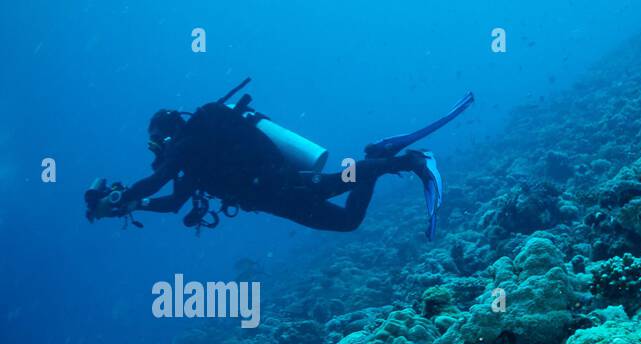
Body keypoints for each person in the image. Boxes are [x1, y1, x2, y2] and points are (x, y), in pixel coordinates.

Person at [85, 79, 473, 239]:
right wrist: (132, 204)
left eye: (157, 144)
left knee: (339, 182)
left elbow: (157, 182)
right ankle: (379, 156)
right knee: (348, 219)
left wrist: (120, 198)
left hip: (276, 183)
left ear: (167, 135)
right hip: (267, 198)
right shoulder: (193, 161)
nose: (157, 153)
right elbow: (171, 203)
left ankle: (410, 160)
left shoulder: (186, 146)